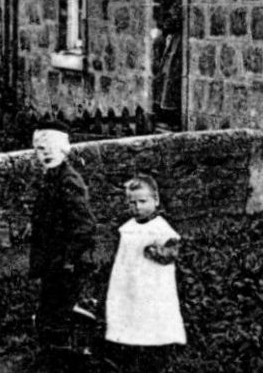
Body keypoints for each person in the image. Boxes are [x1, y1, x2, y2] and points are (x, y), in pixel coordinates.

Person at [29, 118, 97, 367]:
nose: (44, 151)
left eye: (49, 145)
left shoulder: (68, 180)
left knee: (58, 312)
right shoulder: (51, 179)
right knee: (50, 310)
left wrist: (68, 259)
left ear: (63, 147)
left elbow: (85, 226)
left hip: (67, 263)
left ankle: (68, 357)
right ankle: (54, 355)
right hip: (54, 261)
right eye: (39, 147)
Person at [102, 175, 186, 371]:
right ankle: (129, 348)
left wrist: (160, 252)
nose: (137, 207)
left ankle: (156, 354)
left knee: (152, 315)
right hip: (130, 281)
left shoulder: (160, 227)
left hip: (152, 283)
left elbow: (173, 251)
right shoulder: (128, 229)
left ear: (155, 200)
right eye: (132, 203)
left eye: (142, 201)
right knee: (129, 313)